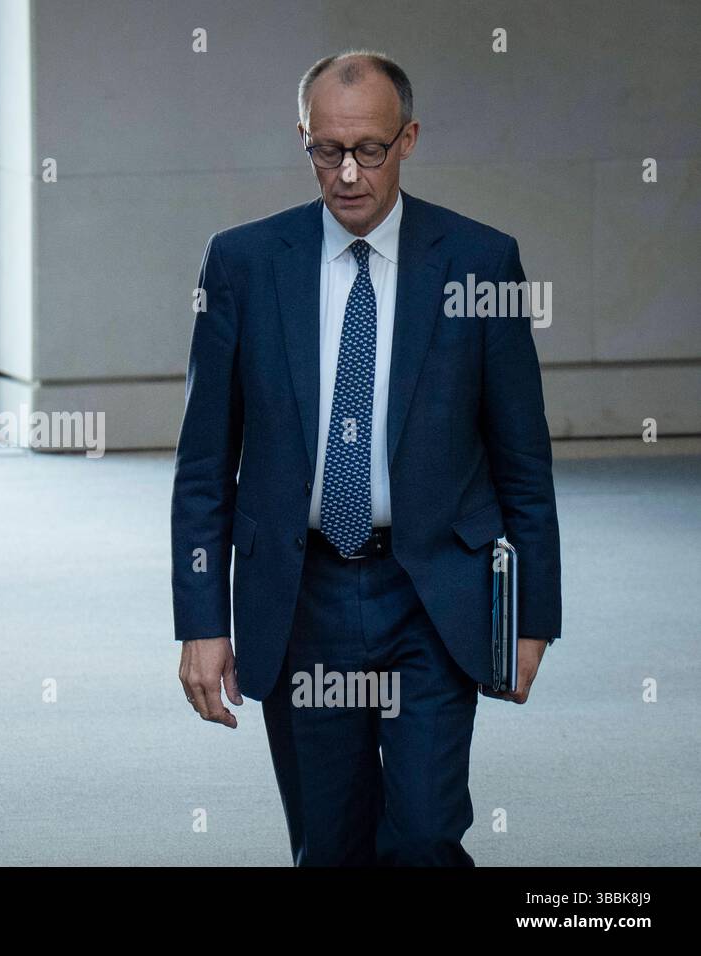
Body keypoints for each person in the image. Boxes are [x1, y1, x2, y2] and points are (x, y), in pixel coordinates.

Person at [170, 49, 562, 866]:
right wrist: (202, 622)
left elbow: (523, 457)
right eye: (326, 150)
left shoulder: (480, 264)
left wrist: (534, 614)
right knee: (330, 846)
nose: (348, 173)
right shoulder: (242, 265)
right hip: (301, 593)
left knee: (424, 835)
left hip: (431, 591)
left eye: (370, 150)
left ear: (408, 139)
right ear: (304, 139)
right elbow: (206, 463)